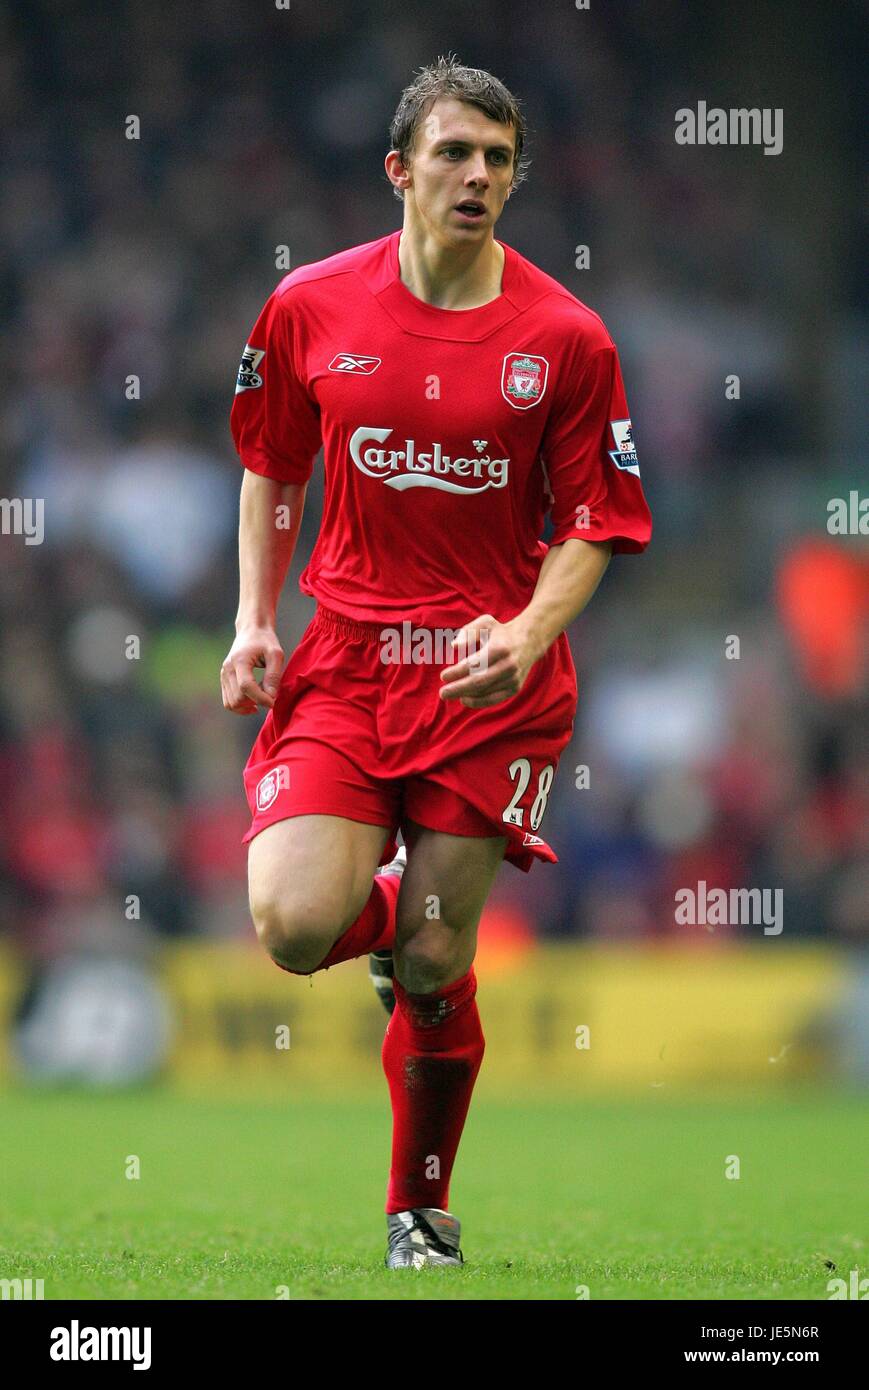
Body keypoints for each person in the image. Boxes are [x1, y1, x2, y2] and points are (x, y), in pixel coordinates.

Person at [222, 55, 651, 1269]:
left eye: (499, 159)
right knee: (297, 926)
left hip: (487, 674)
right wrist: (256, 617)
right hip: (350, 654)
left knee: (430, 954)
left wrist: (524, 632)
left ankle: (420, 1208)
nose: (478, 176)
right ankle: (389, 907)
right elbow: (271, 462)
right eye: (455, 153)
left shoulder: (563, 338)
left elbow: (598, 521)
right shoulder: (309, 304)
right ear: (399, 169)